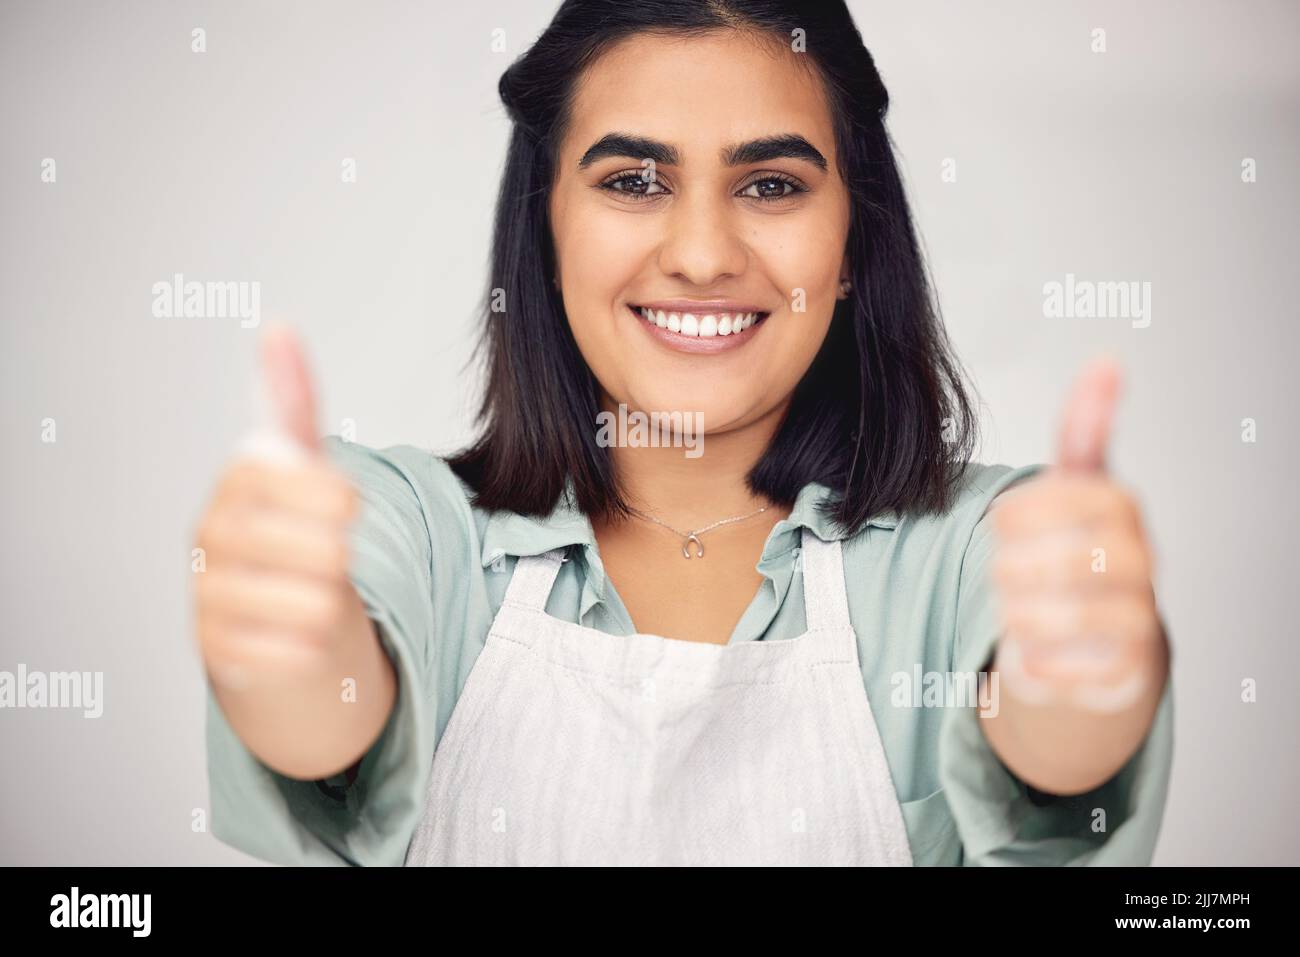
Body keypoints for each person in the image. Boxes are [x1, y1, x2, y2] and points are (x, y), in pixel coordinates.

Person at [194, 0, 1173, 866]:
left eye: (771, 185)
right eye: (632, 181)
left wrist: (1075, 680)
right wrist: (295, 647)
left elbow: (1055, 766)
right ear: (544, 232)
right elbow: (324, 716)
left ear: (850, 247)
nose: (703, 256)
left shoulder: (973, 555)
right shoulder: (415, 530)